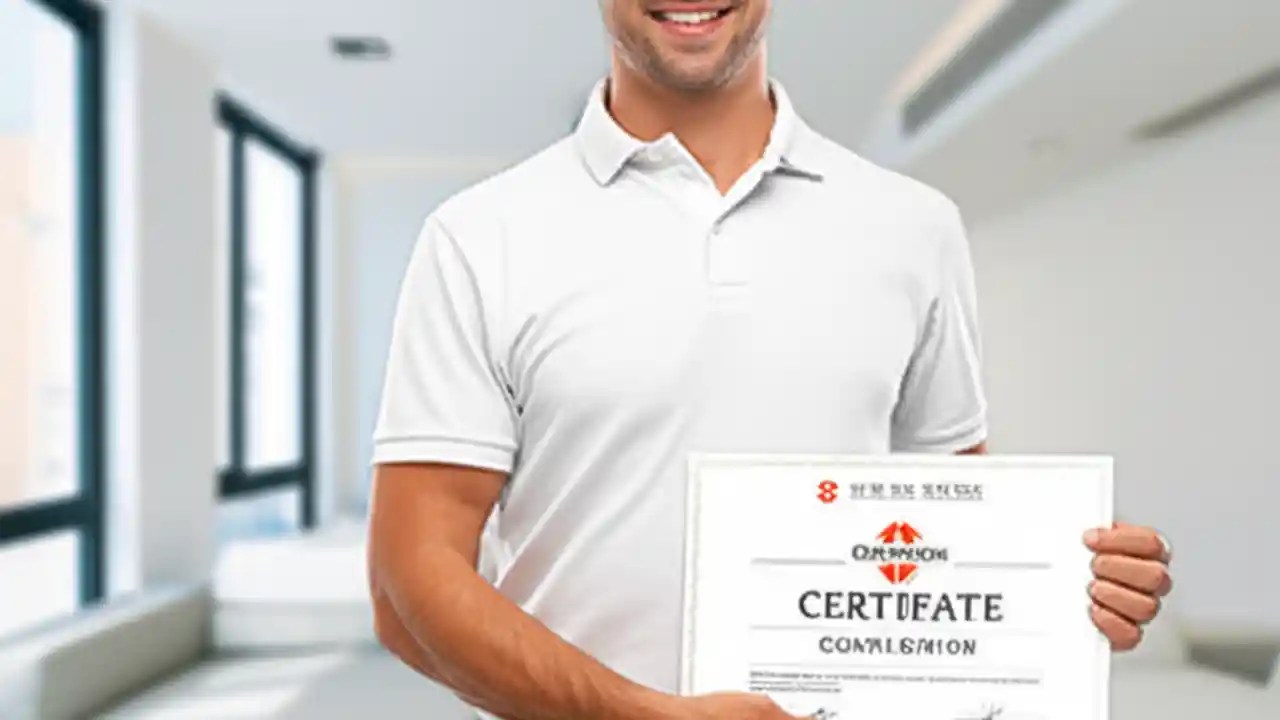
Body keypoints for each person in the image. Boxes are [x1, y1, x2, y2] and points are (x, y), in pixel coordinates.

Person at [367, 2, 1174, 718]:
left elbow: (950, 537)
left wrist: (1061, 600)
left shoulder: (915, 229)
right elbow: (410, 585)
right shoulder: (478, 237)